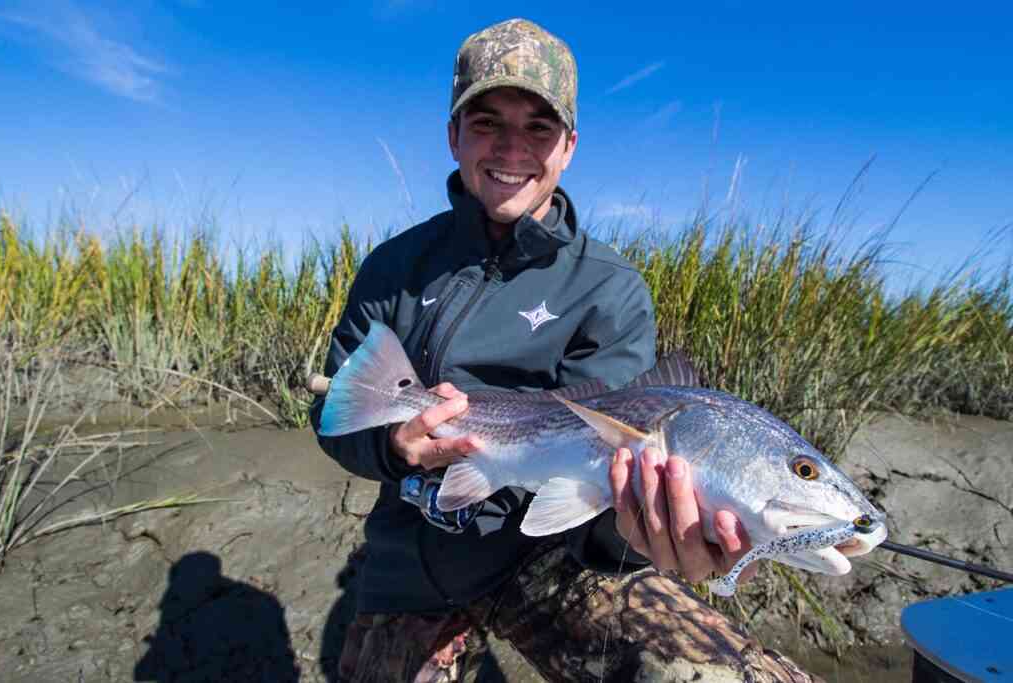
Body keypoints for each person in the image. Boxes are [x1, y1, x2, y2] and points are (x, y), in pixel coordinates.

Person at [312, 18, 819, 683]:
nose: (512, 148)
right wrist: (396, 448)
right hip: (410, 564)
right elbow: (333, 418)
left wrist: (639, 536)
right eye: (488, 122)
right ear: (453, 135)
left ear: (570, 145)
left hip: (551, 557)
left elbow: (594, 501)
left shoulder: (610, 289)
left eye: (539, 128)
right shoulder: (394, 266)